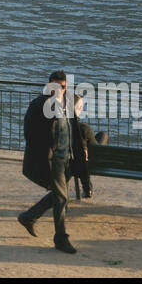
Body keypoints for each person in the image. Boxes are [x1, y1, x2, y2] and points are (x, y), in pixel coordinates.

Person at [18, 70, 84, 254]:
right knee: (61, 197)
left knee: (59, 195)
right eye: (55, 87)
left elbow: (73, 128)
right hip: (52, 159)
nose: (58, 90)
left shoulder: (64, 104)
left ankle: (29, 216)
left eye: (62, 87)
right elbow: (31, 133)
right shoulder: (41, 104)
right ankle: (60, 239)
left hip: (66, 158)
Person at [70, 93, 109, 200]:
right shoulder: (84, 128)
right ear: (79, 108)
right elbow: (96, 149)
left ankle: (87, 188)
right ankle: (87, 188)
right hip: (83, 163)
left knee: (82, 151)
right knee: (103, 135)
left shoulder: (61, 125)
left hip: (67, 161)